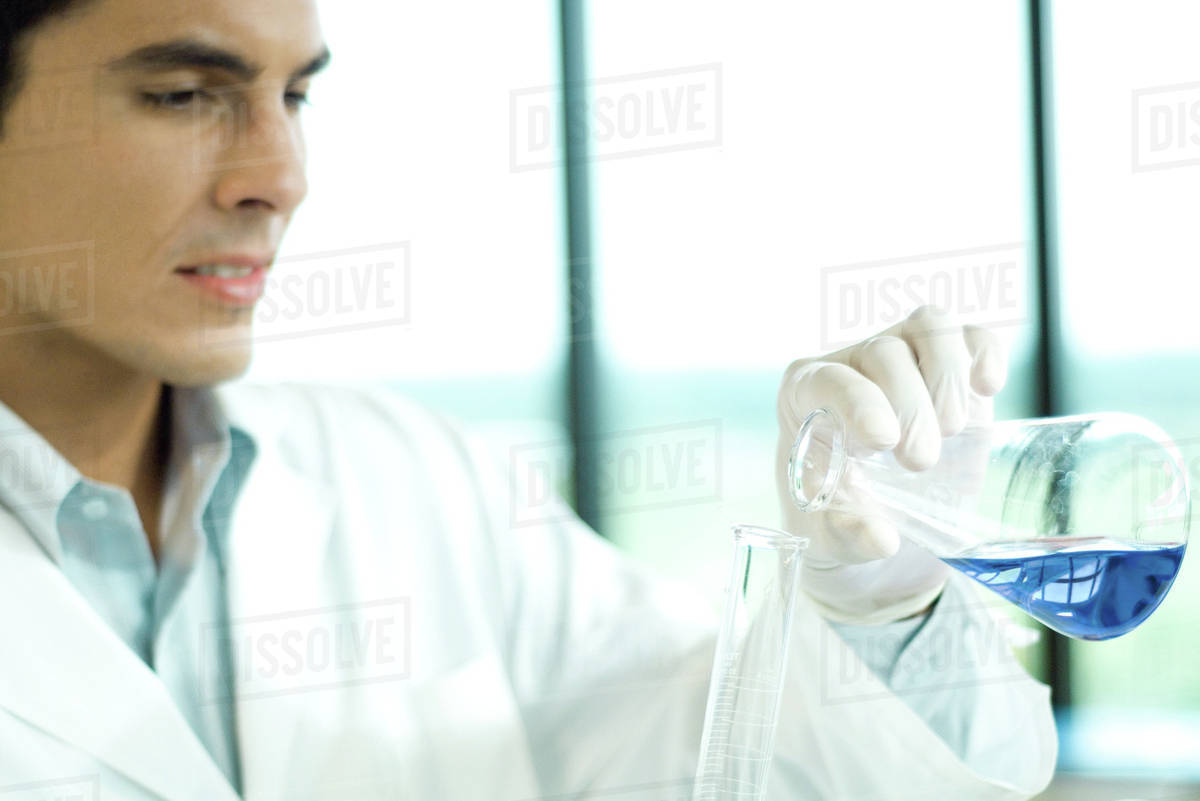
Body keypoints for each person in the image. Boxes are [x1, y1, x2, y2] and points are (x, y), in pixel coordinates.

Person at [0, 0, 1056, 798]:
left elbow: (736, 763)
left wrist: (878, 599)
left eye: (296, 97)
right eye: (184, 96)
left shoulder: (411, 482)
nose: (280, 175)